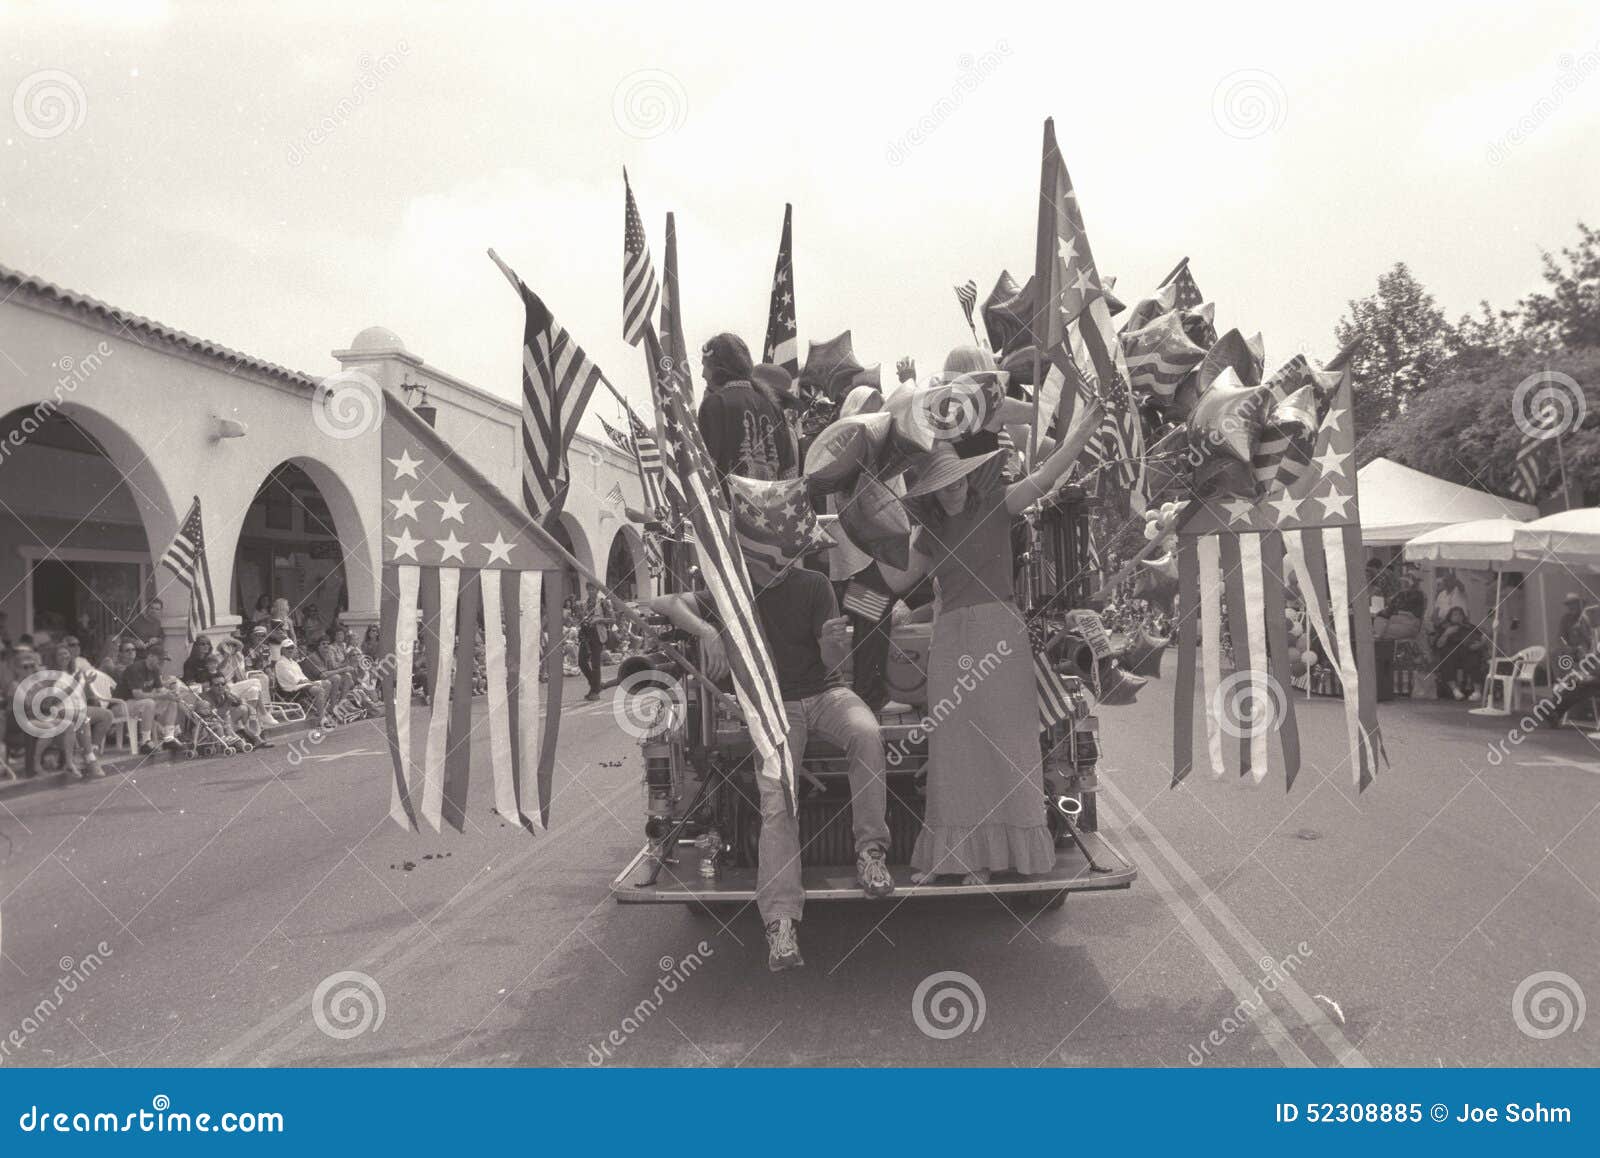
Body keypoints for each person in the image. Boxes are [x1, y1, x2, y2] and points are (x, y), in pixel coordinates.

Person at [885, 373, 1103, 884]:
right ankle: (957, 859)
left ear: (969, 477)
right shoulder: (928, 534)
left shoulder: (1000, 505)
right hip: (953, 643)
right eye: (942, 486)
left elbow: (1048, 476)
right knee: (955, 754)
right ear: (933, 494)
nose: (953, 490)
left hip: (1001, 640)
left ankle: (1012, 858)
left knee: (1009, 748)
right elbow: (895, 581)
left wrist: (1086, 427)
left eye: (958, 480)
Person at [649, 519, 893, 973]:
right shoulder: (731, 591)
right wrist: (708, 631)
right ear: (758, 555)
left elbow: (830, 663)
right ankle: (780, 920)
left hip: (826, 692)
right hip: (773, 705)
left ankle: (871, 853)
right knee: (777, 797)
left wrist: (836, 648)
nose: (785, 559)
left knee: (867, 733)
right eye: (777, 550)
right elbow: (664, 600)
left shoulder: (815, 584)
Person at [697, 332, 790, 484]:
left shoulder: (714, 404)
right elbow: (789, 475)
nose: (703, 374)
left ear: (720, 367)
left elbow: (706, 473)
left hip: (729, 506)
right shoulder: (774, 407)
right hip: (771, 505)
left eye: (705, 366)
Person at [114, 644, 184, 753]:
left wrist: (173, 694)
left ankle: (169, 738)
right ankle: (145, 742)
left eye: (164, 660)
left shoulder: (155, 670)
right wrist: (163, 695)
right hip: (120, 705)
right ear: (150, 656)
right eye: (160, 659)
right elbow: (137, 694)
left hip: (139, 704)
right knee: (149, 703)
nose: (162, 662)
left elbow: (161, 690)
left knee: (171, 701)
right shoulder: (135, 668)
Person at [1428, 606, 1488, 700]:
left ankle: (1477, 692)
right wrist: (1446, 634)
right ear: (1450, 617)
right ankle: (1455, 690)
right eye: (1455, 614)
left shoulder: (1469, 626)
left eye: (1460, 614)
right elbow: (1438, 646)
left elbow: (1484, 637)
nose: (1458, 616)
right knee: (1447, 658)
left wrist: (1480, 644)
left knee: (1474, 657)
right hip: (1451, 653)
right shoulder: (1444, 627)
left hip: (1467, 652)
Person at [273, 639, 332, 728]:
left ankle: (319, 710)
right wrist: (311, 683)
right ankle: (321, 719)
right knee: (318, 690)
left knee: (327, 683)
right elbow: (294, 680)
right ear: (282, 650)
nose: (290, 650)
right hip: (291, 688)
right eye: (287, 648)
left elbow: (302, 677)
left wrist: (310, 682)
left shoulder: (293, 662)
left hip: (302, 684)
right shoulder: (281, 663)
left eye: (292, 648)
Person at [577, 593, 608, 701]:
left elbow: (613, 619)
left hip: (597, 634)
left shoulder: (604, 603)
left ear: (597, 589)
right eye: (589, 588)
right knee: (581, 661)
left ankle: (594, 690)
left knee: (595, 664)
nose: (591, 590)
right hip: (586, 634)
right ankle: (595, 685)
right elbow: (581, 619)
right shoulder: (584, 604)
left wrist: (599, 620)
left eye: (593, 588)